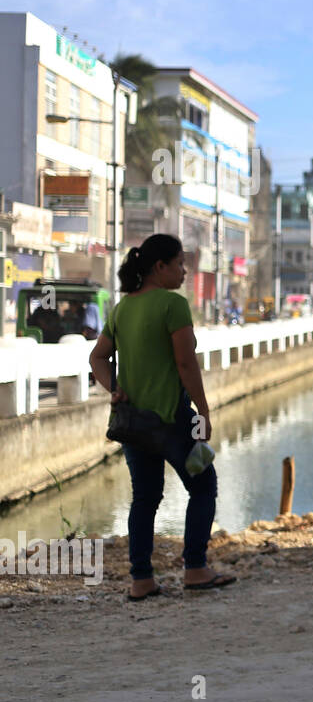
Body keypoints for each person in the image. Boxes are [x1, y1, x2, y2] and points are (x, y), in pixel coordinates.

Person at [89, 234, 235, 600]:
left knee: (145, 498)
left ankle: (141, 580)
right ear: (160, 267)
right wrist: (203, 409)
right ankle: (196, 568)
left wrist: (115, 389)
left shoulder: (123, 309)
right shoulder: (173, 305)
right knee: (203, 487)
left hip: (134, 424)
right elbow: (186, 363)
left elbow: (97, 358)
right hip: (172, 419)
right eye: (180, 264)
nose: (185, 271)